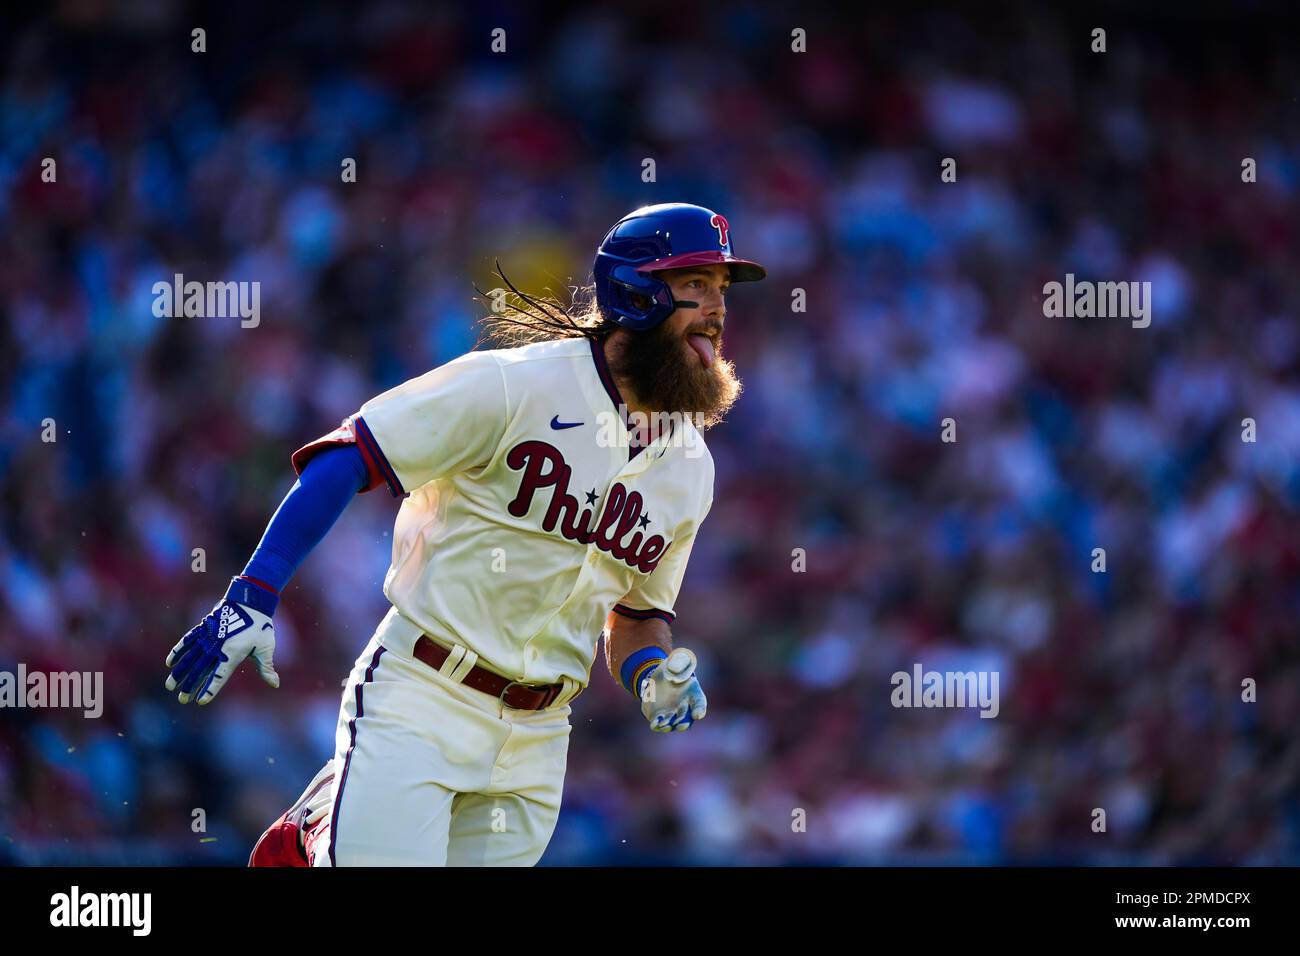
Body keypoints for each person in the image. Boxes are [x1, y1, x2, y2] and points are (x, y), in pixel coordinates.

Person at [164, 202, 766, 866]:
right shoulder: (517, 384)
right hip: (423, 694)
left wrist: (651, 671)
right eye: (697, 284)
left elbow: (637, 615)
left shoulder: (690, 469)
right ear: (637, 292)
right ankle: (319, 836)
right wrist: (254, 592)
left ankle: (327, 830)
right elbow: (351, 453)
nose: (716, 308)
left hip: (539, 739)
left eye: (722, 290)